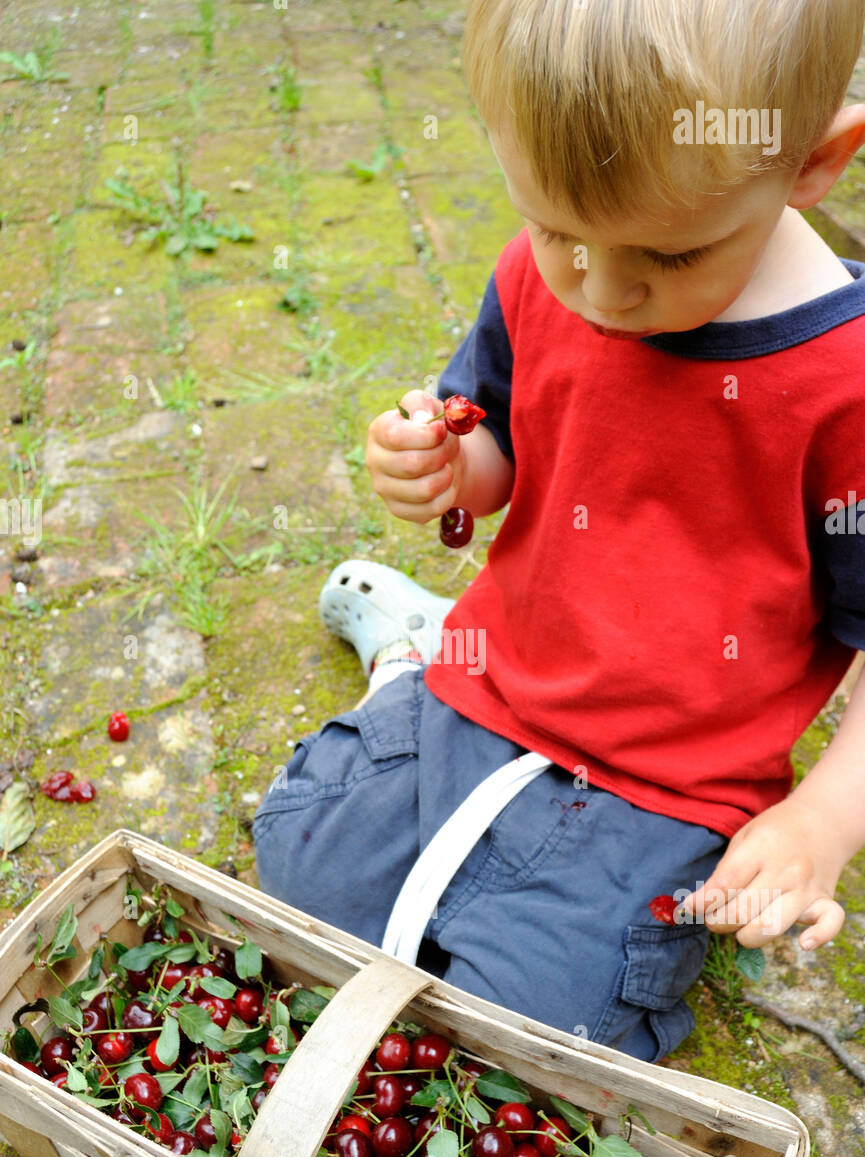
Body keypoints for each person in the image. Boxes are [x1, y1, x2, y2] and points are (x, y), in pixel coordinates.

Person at [253, 0, 865, 1062]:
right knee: (296, 861)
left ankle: (412, 649)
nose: (601, 291)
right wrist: (442, 466)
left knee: (533, 1033)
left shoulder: (841, 386)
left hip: (665, 782)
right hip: (495, 684)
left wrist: (818, 821)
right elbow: (497, 454)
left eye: (667, 257)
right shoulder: (547, 274)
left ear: (813, 164)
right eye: (555, 230)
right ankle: (417, 655)